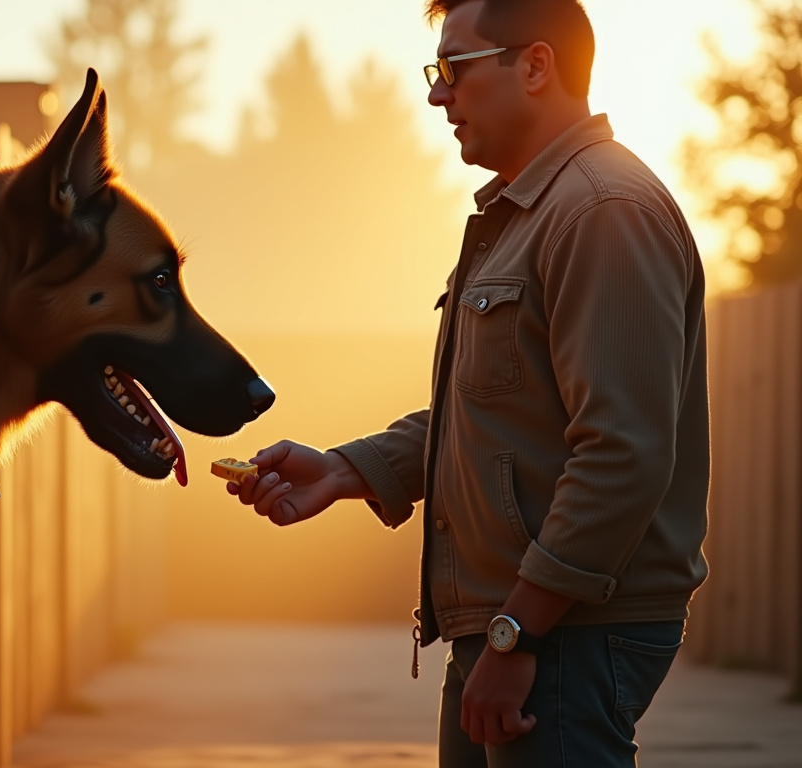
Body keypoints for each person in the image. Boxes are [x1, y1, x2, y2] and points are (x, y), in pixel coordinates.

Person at [224, 0, 709, 765]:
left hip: (566, 631)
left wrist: (520, 633)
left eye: (454, 69)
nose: (435, 95)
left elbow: (622, 454)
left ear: (537, 65)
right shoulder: (531, 212)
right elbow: (497, 408)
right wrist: (348, 470)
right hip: (525, 625)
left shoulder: (603, 211)